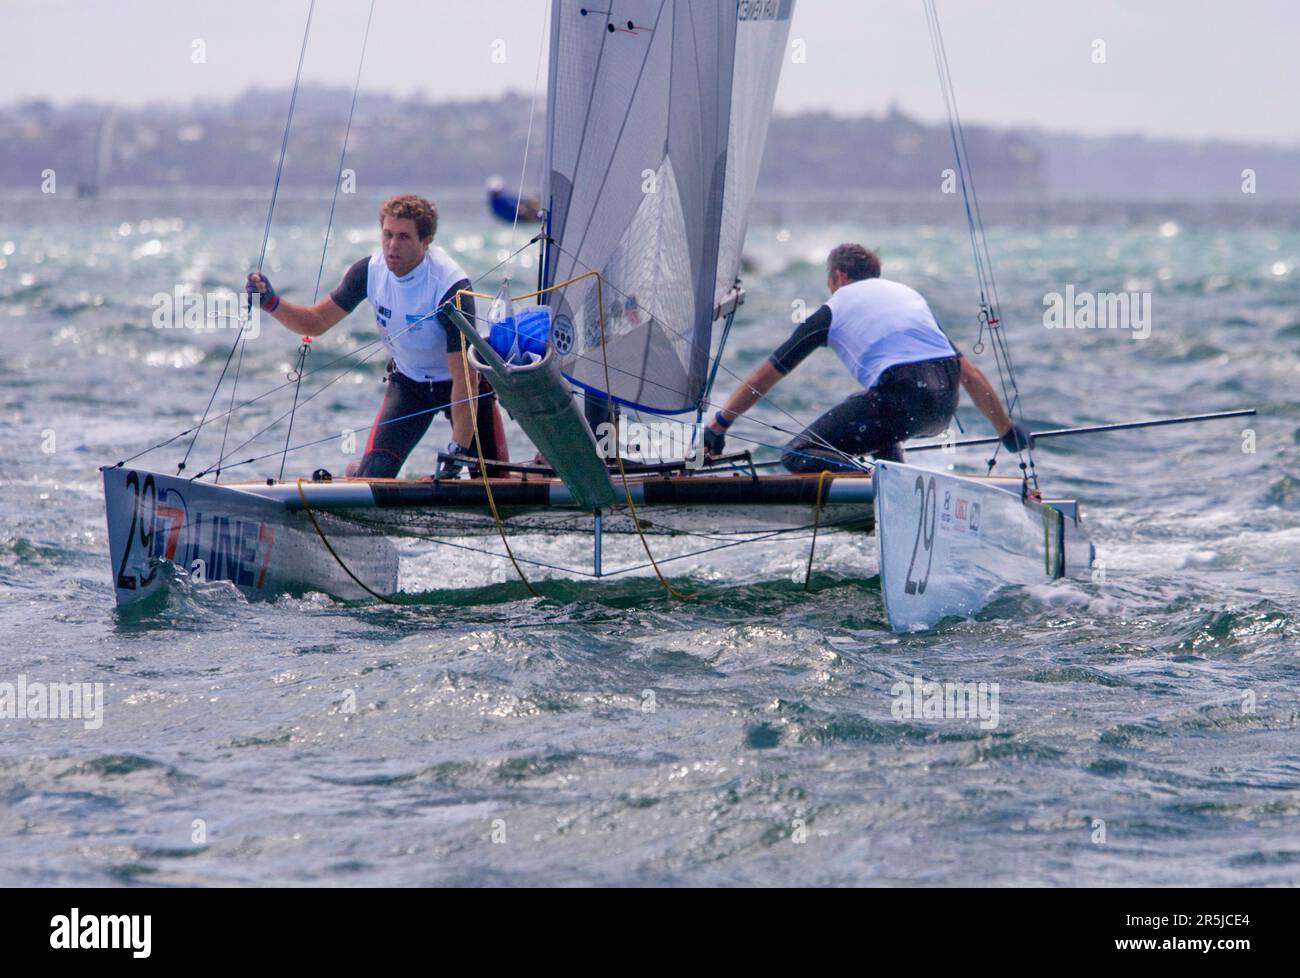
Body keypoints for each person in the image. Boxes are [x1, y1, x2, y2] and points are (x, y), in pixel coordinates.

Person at [702, 243, 1031, 472]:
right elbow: (970, 375)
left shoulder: (832, 309)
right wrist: (1006, 431)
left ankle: (880, 484)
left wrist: (720, 425)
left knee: (797, 454)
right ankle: (894, 479)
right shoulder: (908, 297)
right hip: (943, 406)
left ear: (839, 277)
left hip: (901, 399)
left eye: (830, 282)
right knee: (876, 422)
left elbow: (764, 377)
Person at [246, 194, 507, 480]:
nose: (392, 246)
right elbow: (316, 322)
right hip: (410, 385)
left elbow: (466, 380)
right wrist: (271, 302)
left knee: (496, 484)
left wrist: (456, 456)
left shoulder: (449, 287)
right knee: (372, 477)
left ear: (426, 241)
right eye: (387, 235)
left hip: (463, 387)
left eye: (404, 237)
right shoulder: (369, 272)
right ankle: (357, 471)